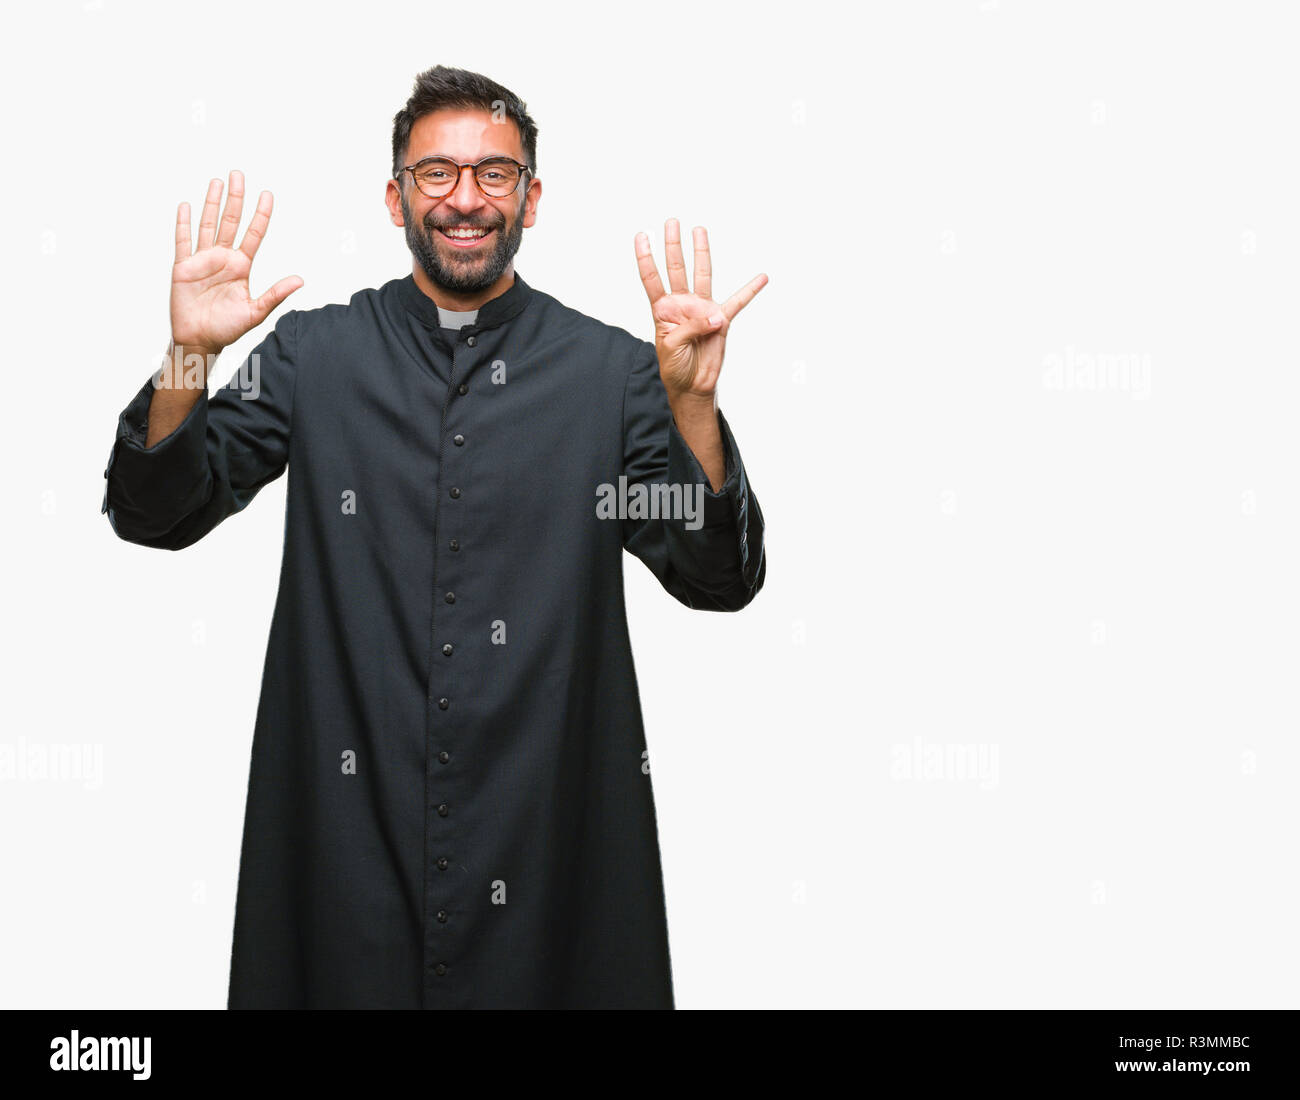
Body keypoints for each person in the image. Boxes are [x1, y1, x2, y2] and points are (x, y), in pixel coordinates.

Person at [103, 64, 768, 1009]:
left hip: (547, 866)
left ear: (532, 200)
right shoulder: (311, 356)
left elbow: (720, 577)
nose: (466, 200)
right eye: (437, 174)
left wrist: (694, 408)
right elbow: (155, 512)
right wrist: (191, 358)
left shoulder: (615, 376)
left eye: (496, 175)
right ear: (395, 197)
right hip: (346, 868)